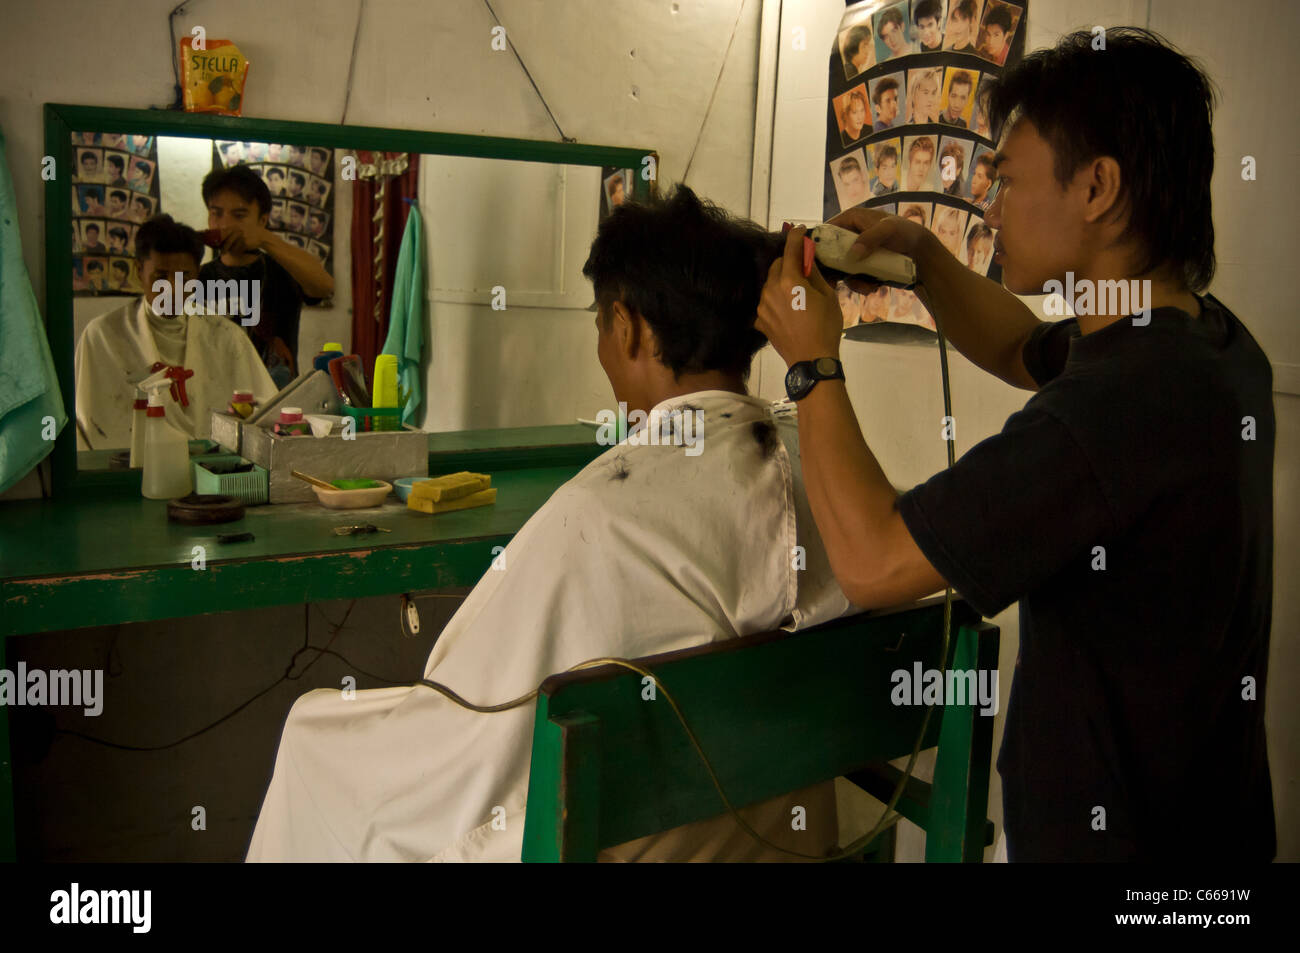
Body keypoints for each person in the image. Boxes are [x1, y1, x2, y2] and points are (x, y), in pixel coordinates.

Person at [755, 28, 1275, 863]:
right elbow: (1019, 348)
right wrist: (923, 257)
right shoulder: (1206, 346)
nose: (989, 208)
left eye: (1007, 180)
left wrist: (813, 365)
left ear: (1098, 186)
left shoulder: (1110, 409)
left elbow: (874, 561)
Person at [247, 185, 858, 862]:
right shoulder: (830, 464)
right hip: (773, 824)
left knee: (313, 733)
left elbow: (471, 725)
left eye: (601, 324)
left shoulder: (594, 514)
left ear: (627, 328)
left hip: (624, 829)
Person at [74, 215, 276, 451]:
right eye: (160, 276)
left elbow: (266, 411)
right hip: (129, 472)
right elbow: (87, 424)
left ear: (197, 275)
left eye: (184, 277)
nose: (171, 288)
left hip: (212, 471)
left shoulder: (226, 336)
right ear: (139, 271)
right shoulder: (103, 335)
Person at [199, 164, 334, 387]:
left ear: (262, 220)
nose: (225, 224)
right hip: (215, 395)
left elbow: (325, 286)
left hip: (277, 402)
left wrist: (265, 239)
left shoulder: (282, 270)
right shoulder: (199, 277)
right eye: (216, 213)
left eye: (239, 215)